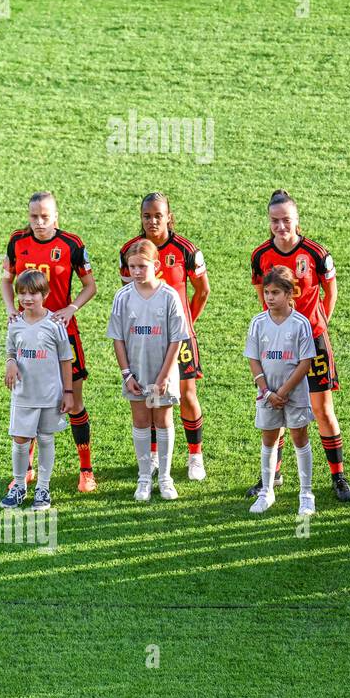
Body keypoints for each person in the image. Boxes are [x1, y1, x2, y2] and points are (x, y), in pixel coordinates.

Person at [250, 190, 350, 502]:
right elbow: (262, 294)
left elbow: (330, 292)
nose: (281, 226)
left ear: (297, 220)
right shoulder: (260, 255)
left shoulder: (316, 253)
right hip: (278, 342)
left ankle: (338, 477)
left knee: (322, 409)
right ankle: (274, 473)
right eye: (275, 221)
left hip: (314, 337)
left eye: (286, 220)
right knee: (276, 402)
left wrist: (318, 325)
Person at [1, 191, 97, 492]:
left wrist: (71, 308)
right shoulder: (17, 241)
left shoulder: (72, 244)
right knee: (28, 399)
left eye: (45, 217)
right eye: (34, 217)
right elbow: (6, 278)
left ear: (56, 216)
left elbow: (90, 286)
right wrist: (10, 311)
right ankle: (26, 470)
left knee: (74, 400)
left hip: (62, 331)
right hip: (28, 332)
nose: (39, 223)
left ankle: (86, 470)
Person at [120, 193, 211, 481]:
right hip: (145, 339)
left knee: (185, 395)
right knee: (149, 395)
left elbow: (203, 291)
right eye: (147, 216)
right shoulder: (130, 252)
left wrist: (184, 326)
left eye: (158, 215)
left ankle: (195, 455)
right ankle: (156, 457)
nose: (152, 221)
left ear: (169, 216)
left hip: (178, 340)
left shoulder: (186, 250)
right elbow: (130, 297)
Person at [107, 239, 192, 501]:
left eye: (142, 266)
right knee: (141, 421)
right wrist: (127, 374)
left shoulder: (169, 296)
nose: (136, 271)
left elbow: (177, 339)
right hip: (137, 374)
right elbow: (118, 338)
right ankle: (144, 476)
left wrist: (164, 376)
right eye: (132, 266)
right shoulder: (123, 296)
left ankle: (165, 477)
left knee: (162, 421)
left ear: (156, 266)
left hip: (161, 375)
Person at [245, 266, 317, 515]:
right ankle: (267, 491)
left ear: (289, 294)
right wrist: (266, 391)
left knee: (299, 438)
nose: (269, 297)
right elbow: (253, 359)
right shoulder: (257, 323)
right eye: (266, 292)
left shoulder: (301, 324)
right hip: (267, 395)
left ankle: (306, 493)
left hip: (294, 394)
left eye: (275, 292)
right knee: (269, 439)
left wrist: (283, 392)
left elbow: (305, 362)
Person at [0, 270, 74, 511]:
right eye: (22, 293)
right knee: (20, 440)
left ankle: (43, 487)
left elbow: (65, 359)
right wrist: (10, 363)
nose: (27, 298)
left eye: (33, 293)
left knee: (45, 439)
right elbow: (11, 352)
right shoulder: (15, 323)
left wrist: (68, 392)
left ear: (45, 294)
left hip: (50, 395)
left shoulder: (55, 324)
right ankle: (19, 486)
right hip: (23, 395)